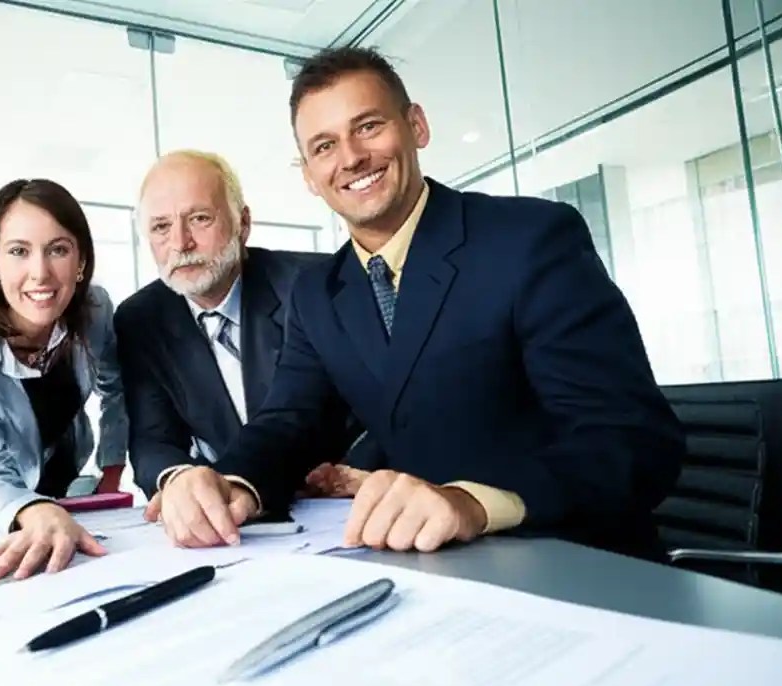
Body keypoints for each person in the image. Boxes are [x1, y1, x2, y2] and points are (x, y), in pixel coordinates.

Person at [148, 47, 684, 560]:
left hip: (576, 557)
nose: (351, 158)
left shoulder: (529, 239)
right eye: (324, 146)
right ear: (309, 175)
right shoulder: (317, 292)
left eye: (369, 126)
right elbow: (289, 421)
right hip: (431, 570)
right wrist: (233, 483)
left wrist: (473, 503)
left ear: (417, 127)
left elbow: (631, 440)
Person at [116, 149, 377, 501]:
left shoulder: (318, 284)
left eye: (200, 218)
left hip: (342, 500)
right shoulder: (140, 319)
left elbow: (387, 402)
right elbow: (153, 439)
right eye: (161, 227)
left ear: (243, 224)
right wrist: (179, 482)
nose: (180, 243)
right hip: (236, 514)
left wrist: (361, 471)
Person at [0, 178, 128, 581]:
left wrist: (112, 471)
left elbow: (116, 388)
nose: (41, 273)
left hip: (58, 470)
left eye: (58, 250)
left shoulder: (95, 309)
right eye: (19, 251)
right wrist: (29, 509)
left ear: (81, 260)